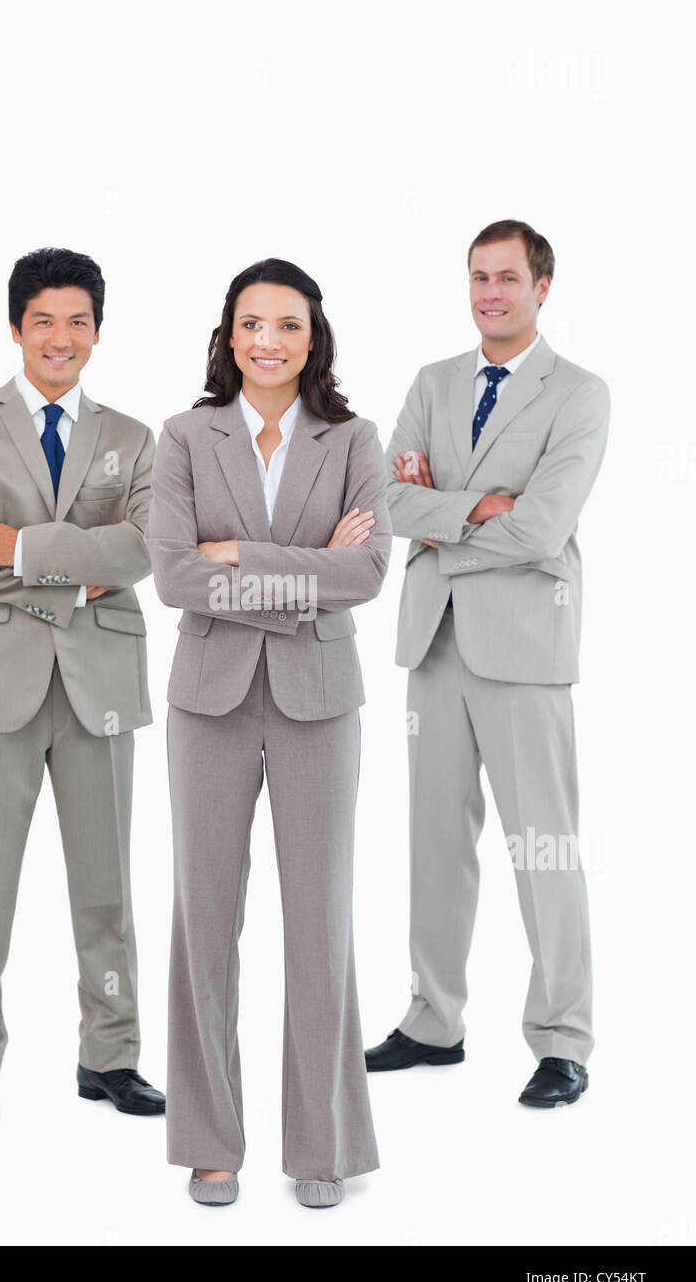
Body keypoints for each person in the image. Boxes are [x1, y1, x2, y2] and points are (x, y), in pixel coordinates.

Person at [144, 258, 391, 1206]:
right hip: (206, 697)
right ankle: (211, 1140)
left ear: (313, 335)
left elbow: (367, 572)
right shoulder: (184, 436)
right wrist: (303, 575)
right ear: (228, 334)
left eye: (287, 324)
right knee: (204, 919)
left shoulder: (355, 437)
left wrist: (241, 555)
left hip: (320, 700)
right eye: (251, 323)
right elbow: (172, 577)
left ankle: (321, 1144)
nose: (268, 341)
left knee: (319, 920)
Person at [366, 219, 609, 1107]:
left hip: (524, 651)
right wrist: (472, 507)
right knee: (434, 843)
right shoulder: (433, 382)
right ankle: (434, 1021)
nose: (489, 293)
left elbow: (545, 527)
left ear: (543, 286)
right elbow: (386, 499)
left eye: (507, 277)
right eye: (477, 277)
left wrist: (442, 519)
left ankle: (563, 1038)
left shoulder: (579, 394)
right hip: (434, 642)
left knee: (542, 845)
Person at [0, 247, 165, 1125]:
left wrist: (21, 547)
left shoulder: (136, 439)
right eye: (44, 321)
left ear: (98, 331)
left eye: (78, 322)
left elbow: (145, 550)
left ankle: (111, 1056)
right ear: (16, 327)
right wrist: (84, 573)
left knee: (107, 881)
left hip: (100, 679)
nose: (61, 339)